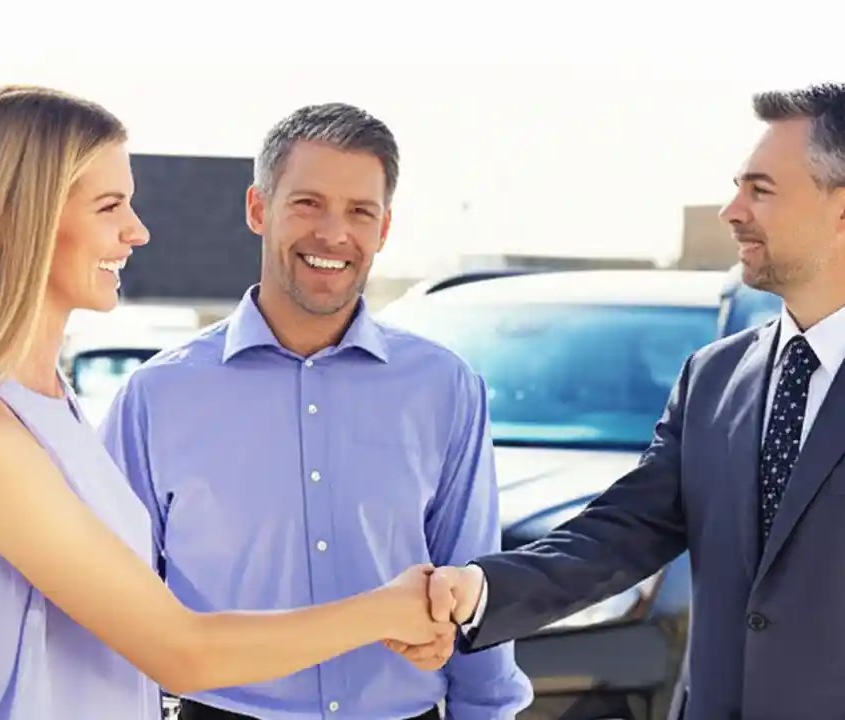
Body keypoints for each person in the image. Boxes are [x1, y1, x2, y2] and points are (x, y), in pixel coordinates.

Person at [414, 83, 845, 718]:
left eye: (760, 189)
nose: (731, 210)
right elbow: (617, 535)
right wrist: (481, 589)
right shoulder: (712, 377)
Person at [0, 85, 454, 720]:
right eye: (110, 206)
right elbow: (183, 653)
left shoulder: (52, 408)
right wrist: (392, 608)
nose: (138, 230)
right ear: (23, 219)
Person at [99, 102, 532, 720]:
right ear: (258, 209)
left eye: (360, 211)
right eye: (308, 204)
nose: (334, 234)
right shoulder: (157, 396)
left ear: (384, 229)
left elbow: (473, 584)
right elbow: (118, 612)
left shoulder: (445, 388)